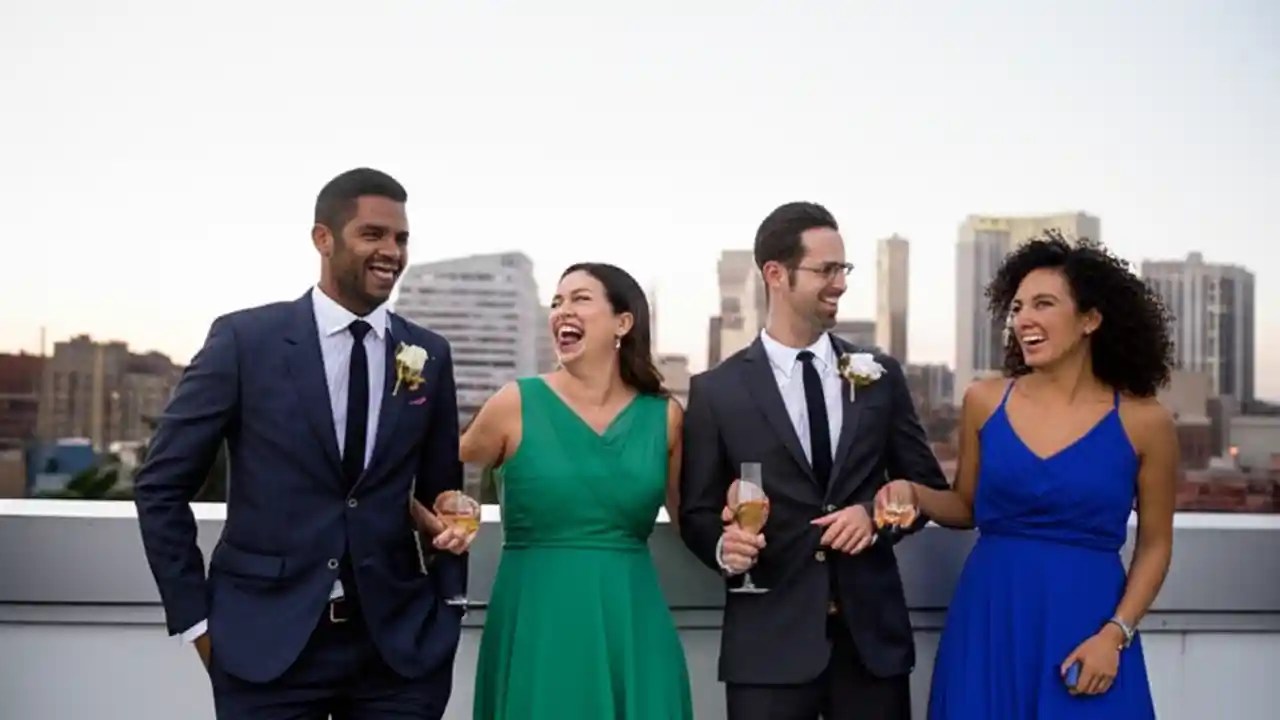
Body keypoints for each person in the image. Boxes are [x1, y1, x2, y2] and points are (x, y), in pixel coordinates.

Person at [133, 168, 473, 719]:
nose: (391, 251)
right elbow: (159, 486)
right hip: (266, 651)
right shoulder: (244, 341)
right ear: (323, 238)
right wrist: (196, 623)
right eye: (373, 234)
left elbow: (442, 497)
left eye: (401, 238)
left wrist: (448, 598)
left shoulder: (428, 354)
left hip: (399, 656)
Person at [877, 231, 1177, 718]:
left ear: (1090, 319)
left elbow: (1156, 545)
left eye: (1043, 304)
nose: (1023, 320)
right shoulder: (984, 401)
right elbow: (966, 506)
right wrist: (912, 491)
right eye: (1017, 308)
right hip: (990, 620)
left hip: (1089, 627)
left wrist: (1115, 634)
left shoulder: (1146, 422)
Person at [679, 201, 949, 720]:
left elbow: (925, 490)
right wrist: (724, 545)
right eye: (826, 270)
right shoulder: (716, 391)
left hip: (872, 646)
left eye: (843, 269)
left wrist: (876, 516)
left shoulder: (880, 375)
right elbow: (696, 512)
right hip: (767, 647)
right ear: (775, 275)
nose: (841, 283)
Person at [462, 262, 693, 719]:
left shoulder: (664, 417)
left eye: (580, 299)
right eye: (557, 302)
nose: (562, 311)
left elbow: (691, 517)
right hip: (538, 621)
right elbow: (439, 474)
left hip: (631, 621)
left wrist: (736, 534)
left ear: (622, 323)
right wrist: (448, 508)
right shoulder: (515, 402)